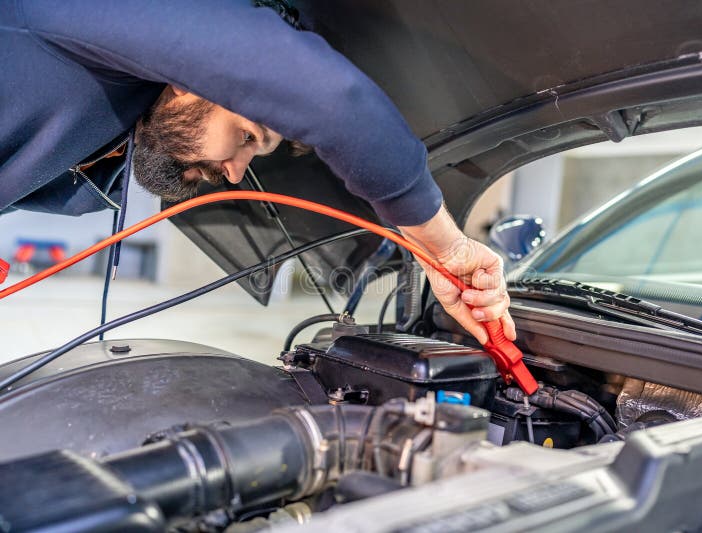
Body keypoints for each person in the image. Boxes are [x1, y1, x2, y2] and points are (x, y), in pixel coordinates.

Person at [0, 0, 514, 344]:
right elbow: (333, 102)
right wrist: (447, 248)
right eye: (248, 136)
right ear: (194, 73)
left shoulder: (104, 115)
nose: (234, 175)